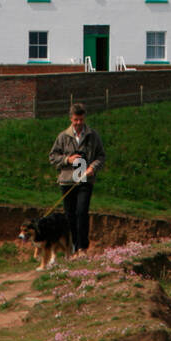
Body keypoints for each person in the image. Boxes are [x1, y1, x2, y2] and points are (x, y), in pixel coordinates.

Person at [48, 103, 106, 256]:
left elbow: (101, 156)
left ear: (84, 118)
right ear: (71, 119)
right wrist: (68, 159)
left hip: (85, 181)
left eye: (81, 120)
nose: (79, 123)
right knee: (69, 215)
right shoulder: (63, 136)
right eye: (76, 120)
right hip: (67, 181)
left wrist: (92, 168)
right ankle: (71, 247)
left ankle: (82, 248)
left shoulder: (93, 135)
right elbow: (53, 157)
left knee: (81, 212)